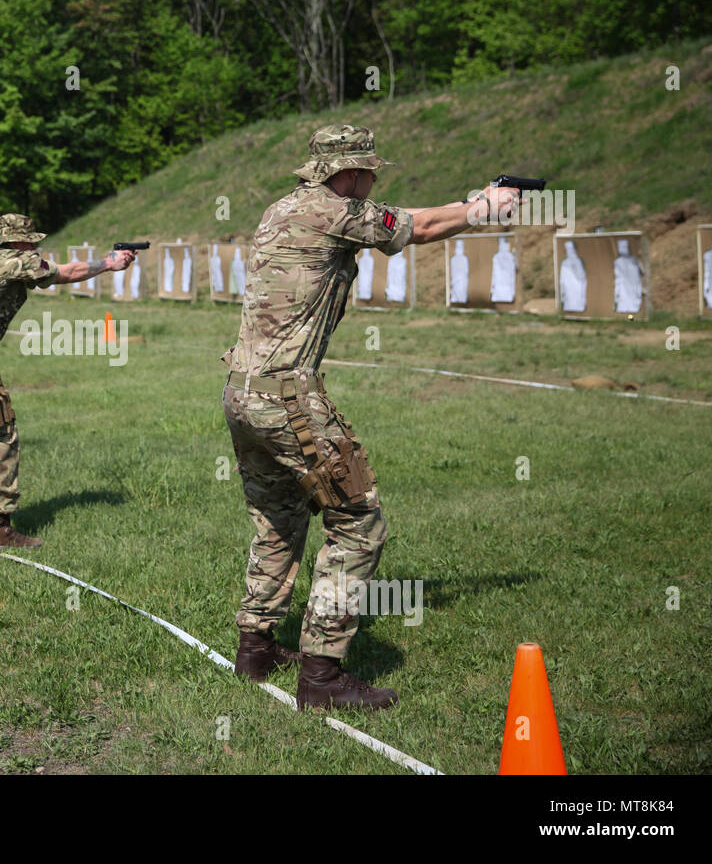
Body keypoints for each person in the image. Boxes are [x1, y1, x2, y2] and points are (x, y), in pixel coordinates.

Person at [222, 124, 519, 710]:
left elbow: (404, 217)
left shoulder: (283, 208)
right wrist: (485, 207)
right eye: (369, 173)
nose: (372, 183)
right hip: (288, 396)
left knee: (279, 517)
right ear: (350, 171)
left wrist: (470, 202)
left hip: (240, 391)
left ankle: (255, 648)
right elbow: (423, 227)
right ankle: (323, 676)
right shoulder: (336, 210)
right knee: (359, 521)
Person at [0, 213, 135, 547]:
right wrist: (108, 263)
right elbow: (63, 273)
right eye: (31, 240)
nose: (35, 246)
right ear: (18, 241)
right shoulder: (13, 261)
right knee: (1, 436)